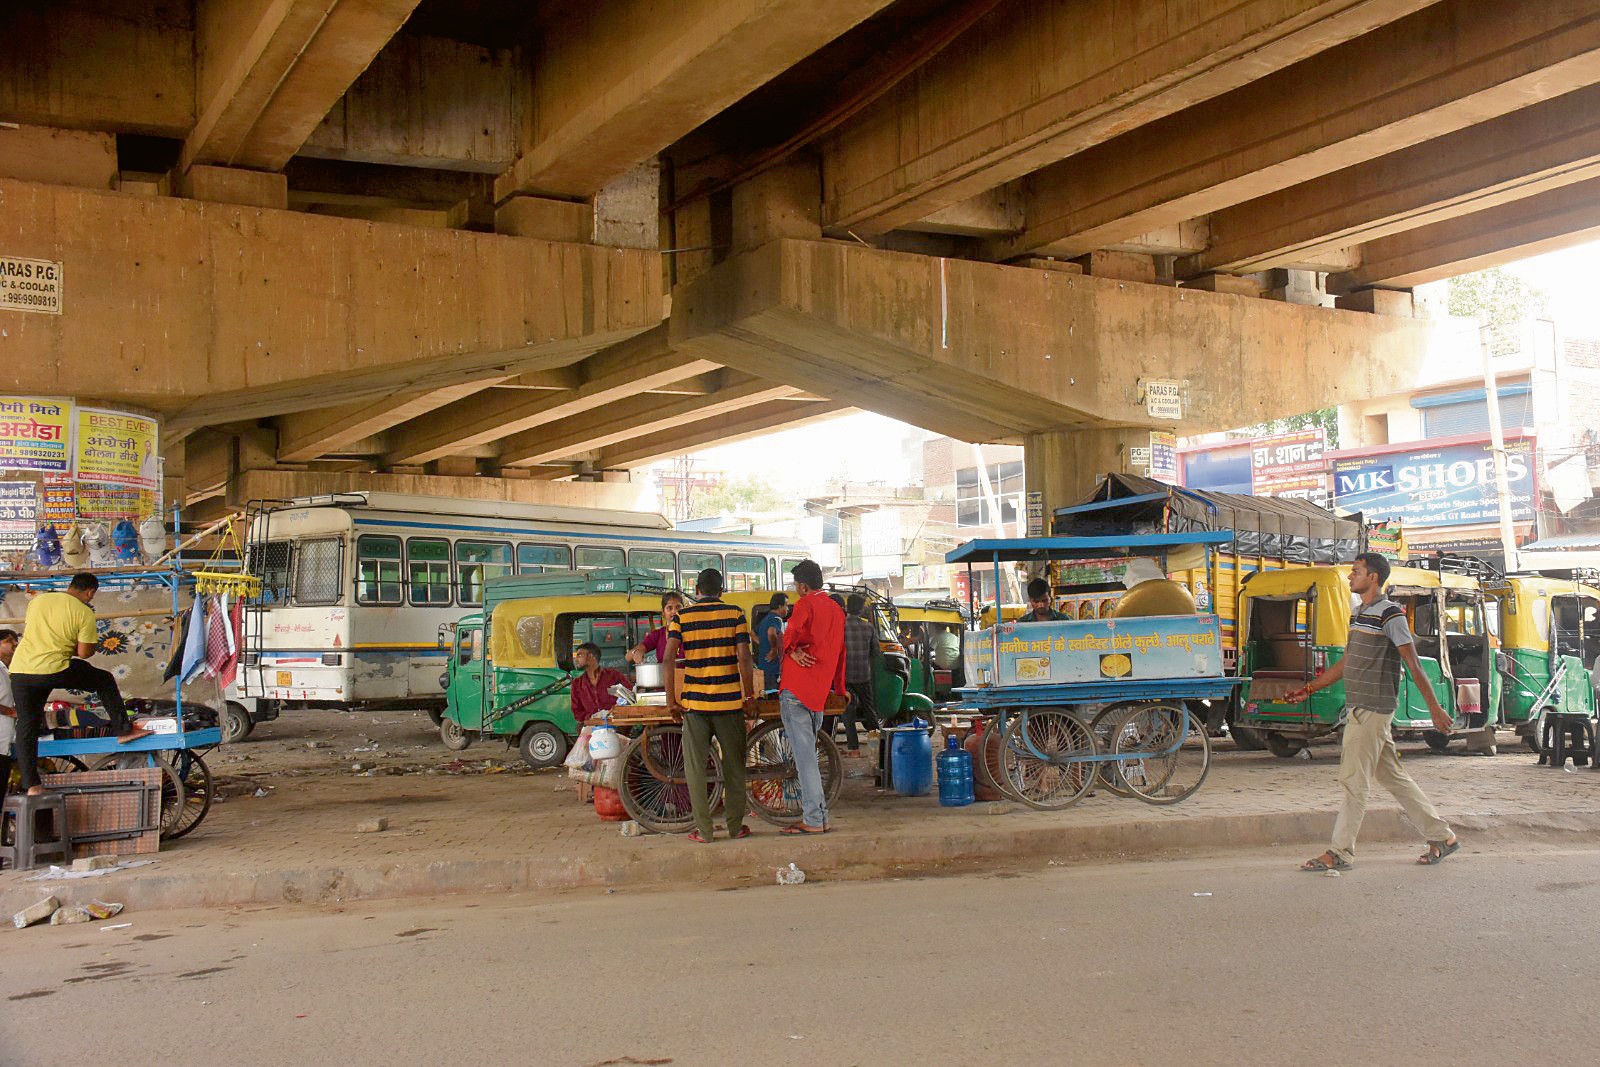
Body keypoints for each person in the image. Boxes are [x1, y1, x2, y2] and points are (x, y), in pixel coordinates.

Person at [1284, 552, 1461, 872]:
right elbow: (1347, 662)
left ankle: (1340, 852)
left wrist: (1435, 708)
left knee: (1354, 782)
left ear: (1374, 578)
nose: (1351, 577)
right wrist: (1309, 689)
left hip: (1372, 711)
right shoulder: (1359, 613)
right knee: (1395, 779)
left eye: (1356, 572)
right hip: (1361, 708)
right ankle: (1442, 837)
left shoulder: (1390, 614)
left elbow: (1412, 662)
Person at [11, 573, 149, 796]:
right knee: (103, 680)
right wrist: (73, 646)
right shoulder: (84, 612)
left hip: (21, 671)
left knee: (27, 724)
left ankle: (32, 785)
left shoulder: (39, 600)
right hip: (54, 668)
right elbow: (85, 653)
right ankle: (123, 730)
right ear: (91, 592)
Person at [665, 568, 757, 844]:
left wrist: (672, 700)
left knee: (695, 769)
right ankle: (734, 827)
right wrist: (750, 697)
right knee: (734, 766)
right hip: (729, 702)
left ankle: (704, 831)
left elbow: (668, 658)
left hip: (695, 705)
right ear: (722, 589)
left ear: (696, 590)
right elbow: (744, 657)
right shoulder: (735, 614)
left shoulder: (682, 616)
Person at [778, 560, 846, 834]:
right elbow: (842, 653)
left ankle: (814, 819)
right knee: (810, 756)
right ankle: (819, 815)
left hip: (796, 689)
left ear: (803, 586)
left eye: (796, 585)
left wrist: (789, 649)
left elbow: (790, 632)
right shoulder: (836, 610)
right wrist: (840, 689)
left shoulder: (805, 604)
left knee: (804, 758)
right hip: (820, 691)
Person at [841, 594, 882, 757]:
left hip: (845, 676)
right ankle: (878, 745)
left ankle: (854, 749)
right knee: (869, 710)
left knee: (848, 712)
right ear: (861, 609)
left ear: (846, 608)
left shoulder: (840, 626)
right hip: (864, 675)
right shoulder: (869, 627)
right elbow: (876, 652)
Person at [570, 642, 628, 727]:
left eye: (579, 655)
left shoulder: (614, 676)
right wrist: (592, 717)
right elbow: (576, 711)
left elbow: (630, 698)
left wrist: (614, 714)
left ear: (590, 656)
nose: (576, 659)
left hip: (617, 726)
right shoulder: (577, 684)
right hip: (592, 727)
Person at [627, 591, 685, 665]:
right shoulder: (658, 635)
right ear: (663, 612)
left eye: (678, 607)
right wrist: (636, 652)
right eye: (669, 608)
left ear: (684, 609)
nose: (674, 611)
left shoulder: (693, 632)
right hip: (665, 676)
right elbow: (628, 656)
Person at [755, 593, 788, 693]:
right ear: (779, 606)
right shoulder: (776, 619)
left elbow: (752, 633)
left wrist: (763, 643)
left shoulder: (765, 619)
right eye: (786, 605)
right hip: (773, 669)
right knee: (774, 698)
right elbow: (771, 631)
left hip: (763, 667)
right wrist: (774, 649)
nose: (788, 609)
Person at [0, 628, 18, 803]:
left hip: (4, 745)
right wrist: (12, 712)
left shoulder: (7, 671)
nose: (15, 643)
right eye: (8, 640)